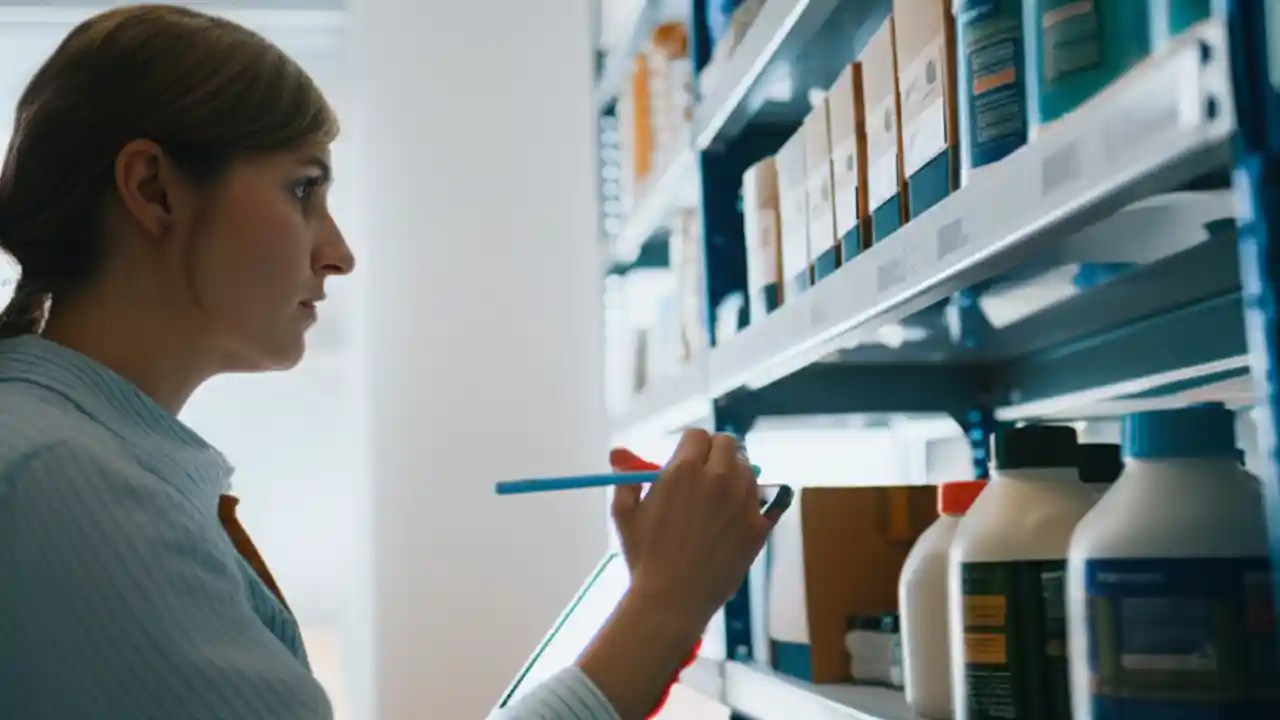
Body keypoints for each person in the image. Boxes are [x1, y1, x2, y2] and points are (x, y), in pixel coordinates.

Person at [0, 6, 791, 719]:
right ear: (154, 189)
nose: (337, 254)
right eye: (303, 189)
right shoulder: (64, 482)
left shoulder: (78, 456)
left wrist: (660, 604)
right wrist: (664, 609)